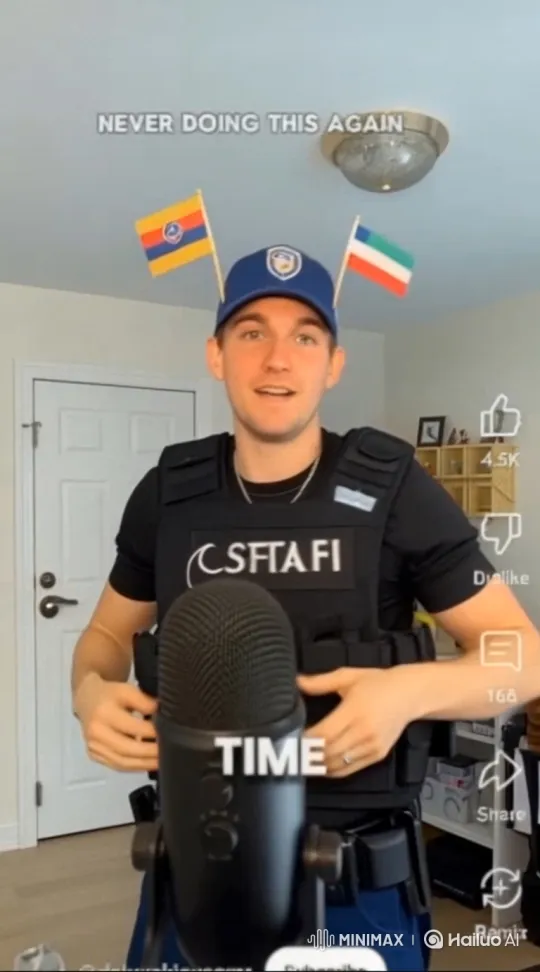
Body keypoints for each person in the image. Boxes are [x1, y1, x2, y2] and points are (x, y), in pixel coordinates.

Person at [71, 244, 540, 972]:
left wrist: (406, 692)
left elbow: (524, 655)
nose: (278, 359)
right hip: (196, 867)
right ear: (217, 355)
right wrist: (89, 692)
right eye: (252, 331)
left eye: (306, 335)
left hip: (355, 883)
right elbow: (105, 633)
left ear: (335, 363)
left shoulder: (396, 489)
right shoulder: (167, 495)